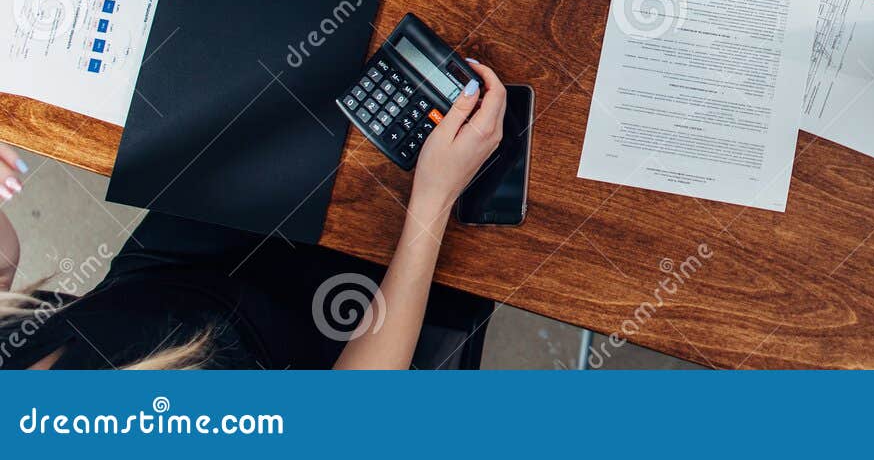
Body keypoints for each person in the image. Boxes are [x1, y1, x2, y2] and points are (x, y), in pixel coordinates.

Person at [0, 61, 506, 370]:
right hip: (298, 348)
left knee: (280, 77)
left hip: (165, 282)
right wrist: (432, 201)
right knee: (466, 210)